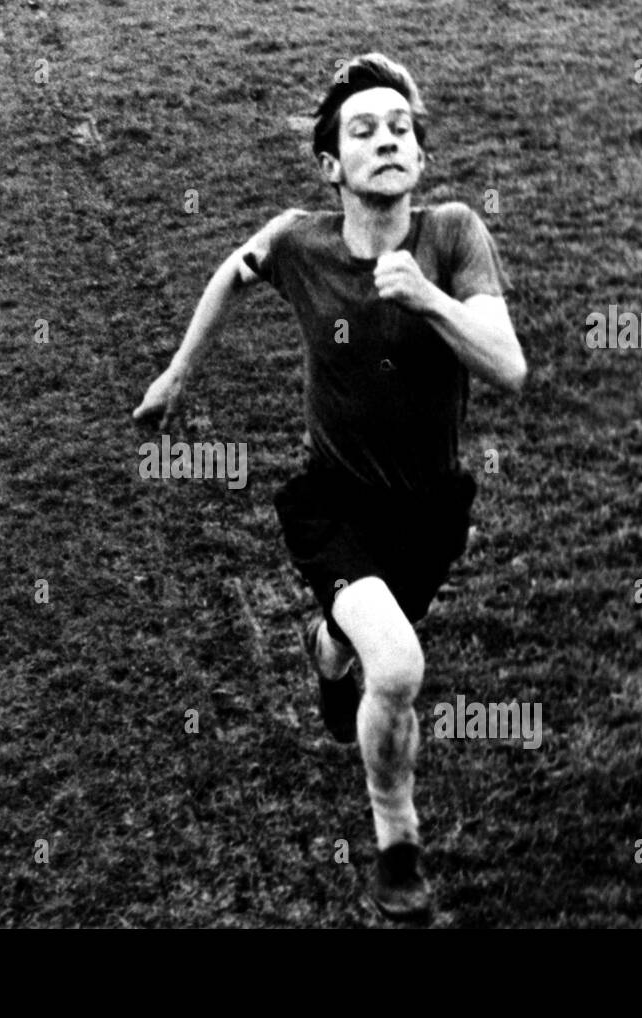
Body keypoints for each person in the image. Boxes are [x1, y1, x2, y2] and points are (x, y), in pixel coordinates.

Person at [132, 52, 526, 921]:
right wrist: (175, 376)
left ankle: (324, 644)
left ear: (419, 158)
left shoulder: (455, 236)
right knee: (400, 665)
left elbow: (508, 368)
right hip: (333, 502)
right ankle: (398, 842)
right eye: (365, 130)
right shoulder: (298, 241)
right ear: (331, 166)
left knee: (361, 658)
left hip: (430, 513)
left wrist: (428, 300)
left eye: (402, 130)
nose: (388, 140)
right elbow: (230, 275)